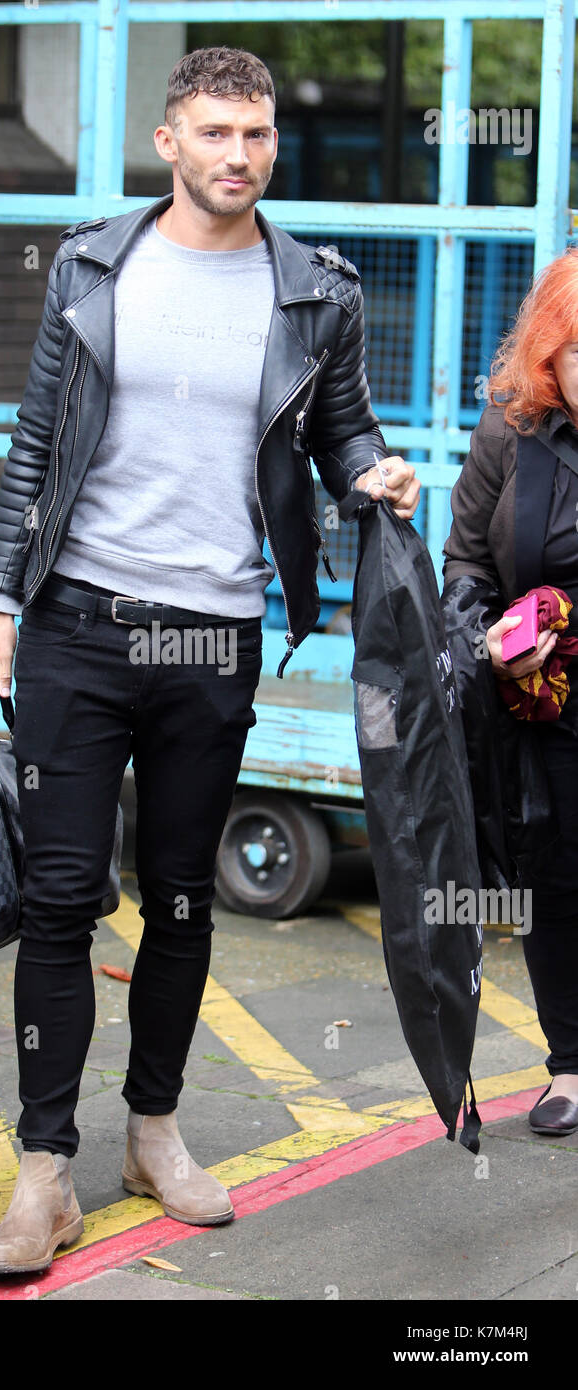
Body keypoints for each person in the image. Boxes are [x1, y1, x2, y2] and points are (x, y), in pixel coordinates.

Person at [0, 45, 419, 1275]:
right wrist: (1, 597)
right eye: (215, 133)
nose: (238, 156)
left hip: (211, 634)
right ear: (169, 141)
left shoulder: (315, 290)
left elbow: (342, 429)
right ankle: (45, 1168)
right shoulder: (93, 261)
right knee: (60, 898)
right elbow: (31, 441)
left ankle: (151, 1132)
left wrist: (372, 471)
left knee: (179, 895)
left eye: (256, 136)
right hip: (72, 623)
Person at [442, 246, 578, 1139]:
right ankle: (571, 1063)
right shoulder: (512, 430)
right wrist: (484, 636)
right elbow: (462, 563)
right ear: (550, 355)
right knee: (555, 878)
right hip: (549, 709)